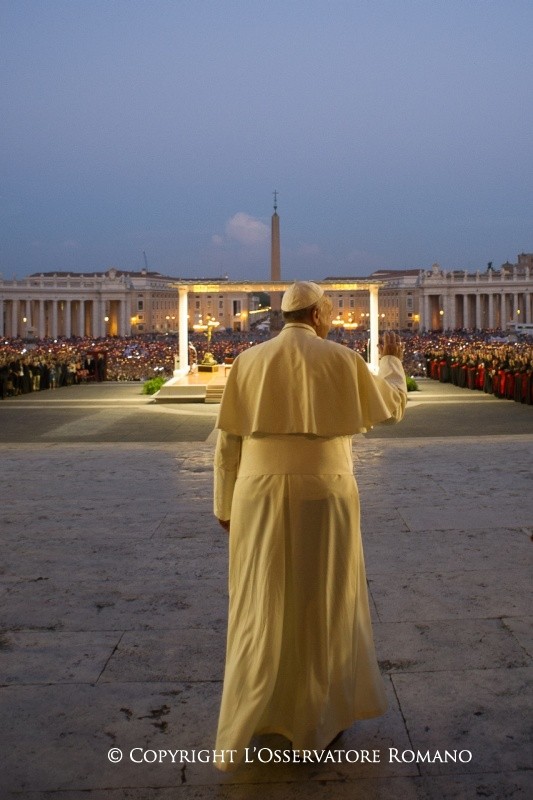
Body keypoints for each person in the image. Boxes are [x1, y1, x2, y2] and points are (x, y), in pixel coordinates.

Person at [213, 281, 406, 770]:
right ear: (319, 315)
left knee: (262, 599)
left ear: (283, 316)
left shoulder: (248, 361)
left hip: (256, 491)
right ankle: (319, 714)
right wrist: (391, 363)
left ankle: (259, 710)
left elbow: (227, 442)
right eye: (328, 310)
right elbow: (392, 406)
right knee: (323, 599)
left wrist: (224, 504)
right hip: (325, 488)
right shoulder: (340, 360)